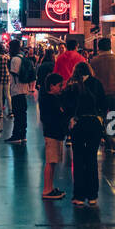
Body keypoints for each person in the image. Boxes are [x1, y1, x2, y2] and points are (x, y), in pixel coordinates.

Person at [65, 62, 106, 207]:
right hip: (94, 124)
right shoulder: (96, 83)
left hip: (78, 124)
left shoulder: (71, 84)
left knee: (78, 159)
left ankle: (79, 196)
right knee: (92, 159)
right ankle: (93, 196)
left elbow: (66, 105)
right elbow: (104, 104)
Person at [88, 38, 115, 152]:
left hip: (99, 92)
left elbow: (91, 76)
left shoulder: (94, 61)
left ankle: (103, 136)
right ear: (110, 47)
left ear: (99, 47)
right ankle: (111, 135)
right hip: (114, 91)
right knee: (113, 113)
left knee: (101, 114)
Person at [38, 72, 68, 200]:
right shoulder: (51, 100)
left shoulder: (48, 98)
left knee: (53, 161)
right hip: (52, 133)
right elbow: (58, 114)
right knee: (50, 162)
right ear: (51, 86)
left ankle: (50, 187)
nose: (61, 88)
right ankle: (46, 189)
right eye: (59, 85)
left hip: (53, 133)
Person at [6, 40, 35, 143]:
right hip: (24, 89)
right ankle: (23, 135)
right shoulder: (23, 58)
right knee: (23, 114)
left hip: (16, 90)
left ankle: (16, 135)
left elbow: (14, 75)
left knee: (17, 114)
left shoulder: (14, 60)